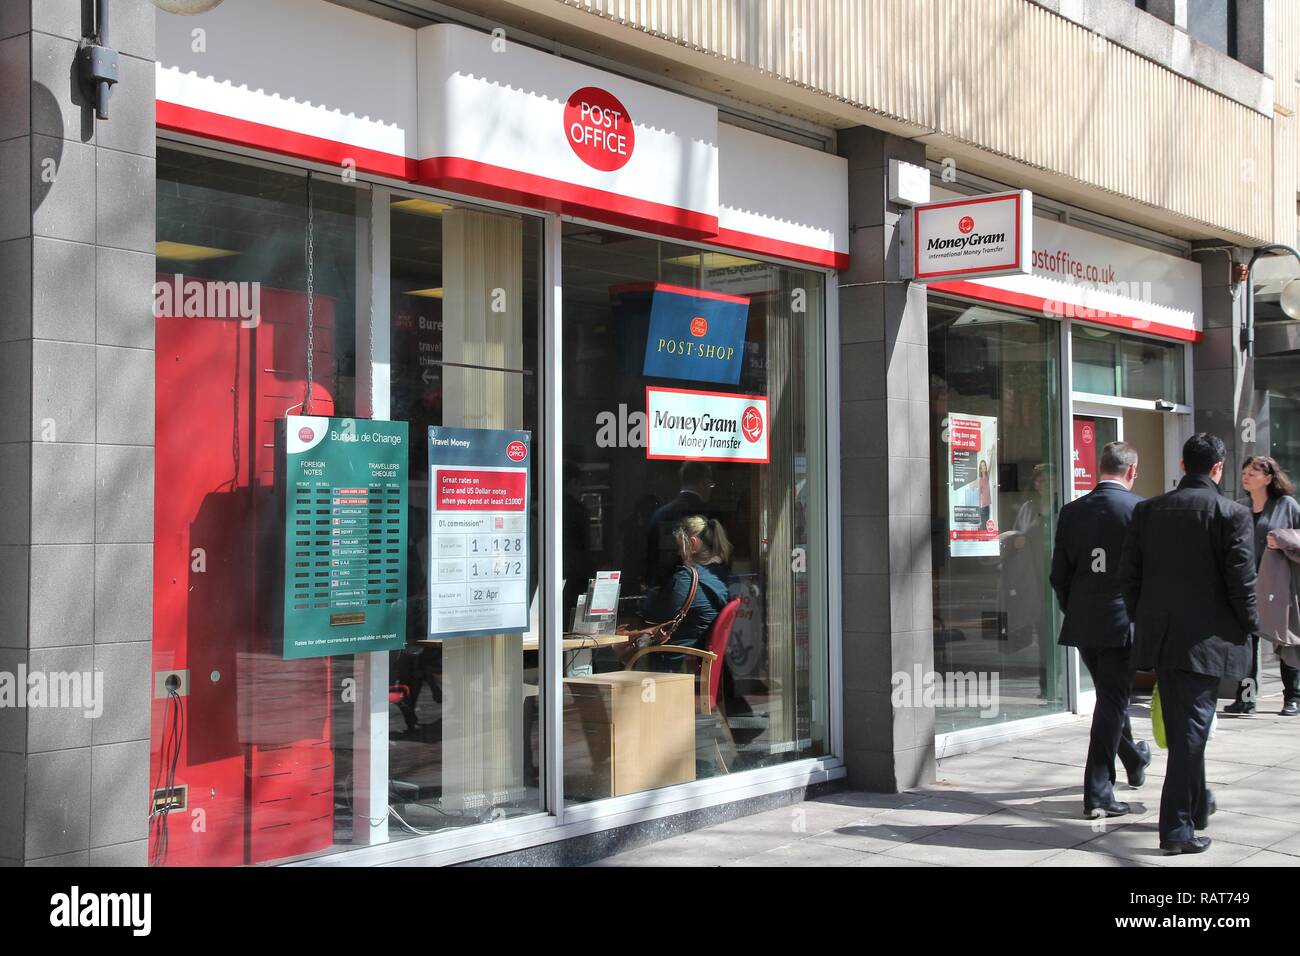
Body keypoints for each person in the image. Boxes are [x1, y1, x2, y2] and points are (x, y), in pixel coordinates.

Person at [1120, 433, 1258, 855]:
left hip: (1163, 638)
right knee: (1189, 737)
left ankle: (1196, 809)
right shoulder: (1232, 513)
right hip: (1207, 641)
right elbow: (1241, 581)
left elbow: (1129, 579)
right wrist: (1252, 626)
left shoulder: (1148, 510)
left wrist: (1144, 619)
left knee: (1186, 730)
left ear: (1182, 465)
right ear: (1218, 468)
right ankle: (1177, 830)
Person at [1050, 441, 1152, 819]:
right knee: (1112, 701)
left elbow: (1059, 573)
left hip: (1083, 619)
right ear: (1132, 471)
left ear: (1099, 468)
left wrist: (1072, 607)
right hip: (1121, 621)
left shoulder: (1072, 511)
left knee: (1112, 696)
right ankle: (1098, 792)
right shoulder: (1140, 510)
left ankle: (1134, 755)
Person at [1228, 454, 1300, 716]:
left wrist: (1282, 540)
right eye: (1245, 471)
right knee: (1247, 644)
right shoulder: (1239, 507)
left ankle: (1293, 698)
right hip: (1246, 586)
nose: (1246, 476)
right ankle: (1246, 698)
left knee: (1285, 642)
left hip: (1279, 586)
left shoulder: (1287, 505)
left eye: (1253, 472)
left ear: (1268, 478)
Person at [631, 514, 732, 670]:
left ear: (693, 543)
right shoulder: (721, 577)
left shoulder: (687, 579)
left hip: (674, 666)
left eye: (680, 546)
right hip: (700, 663)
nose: (678, 553)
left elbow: (655, 614)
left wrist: (648, 594)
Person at [643, 461, 717, 589]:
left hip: (665, 590)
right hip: (701, 588)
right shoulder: (708, 515)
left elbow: (650, 557)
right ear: (703, 482)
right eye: (710, 484)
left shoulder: (660, 514)